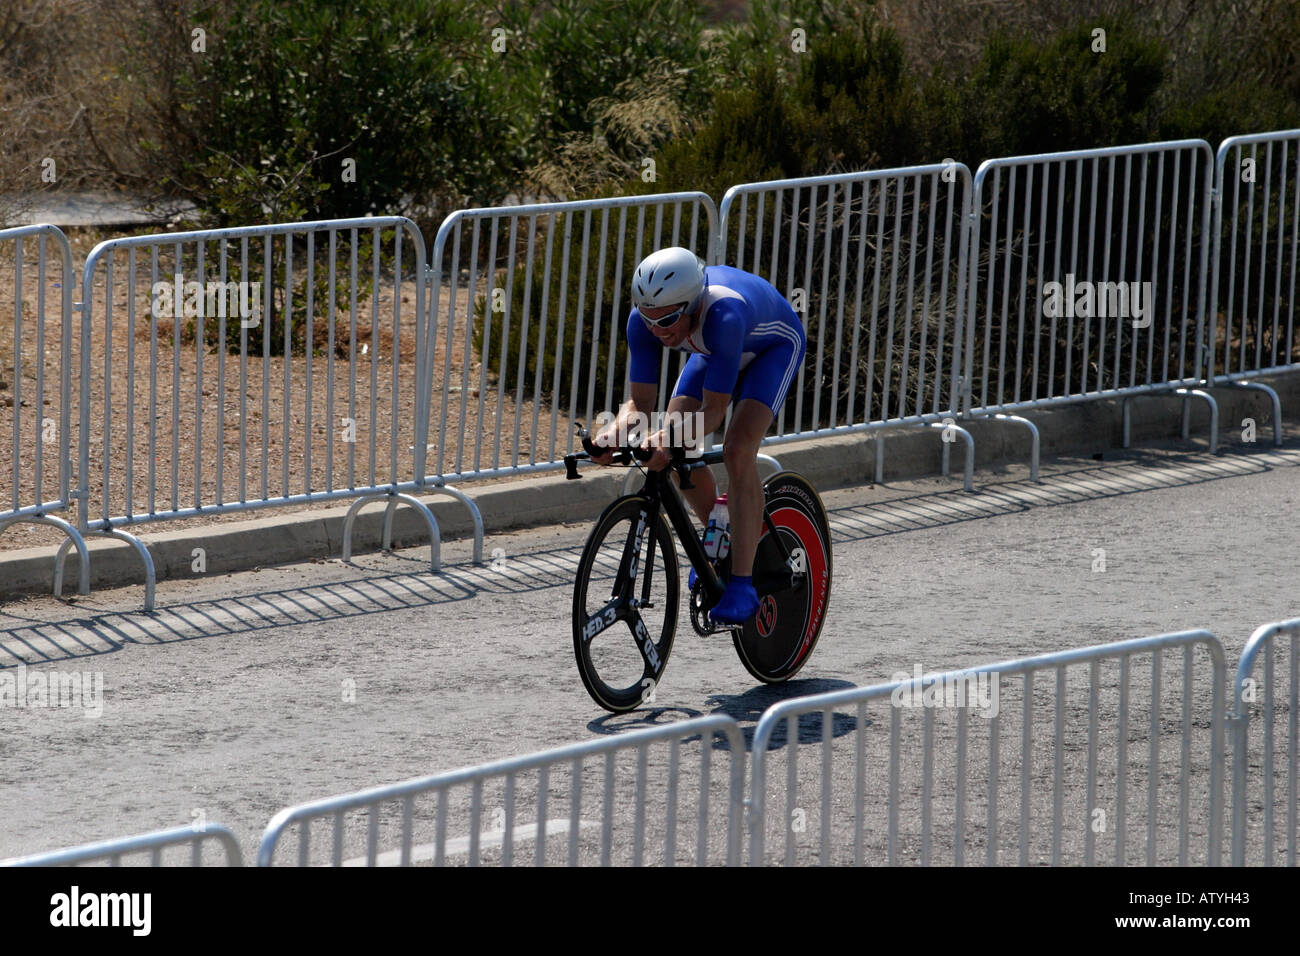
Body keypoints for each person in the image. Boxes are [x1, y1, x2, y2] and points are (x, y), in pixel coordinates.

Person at [591, 246, 806, 624]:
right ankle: (719, 543)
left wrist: (665, 438)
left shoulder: (723, 313)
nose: (658, 331)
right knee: (676, 448)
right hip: (713, 351)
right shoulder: (644, 322)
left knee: (738, 449)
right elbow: (639, 405)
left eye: (669, 319)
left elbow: (713, 412)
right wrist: (609, 434)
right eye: (649, 319)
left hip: (772, 348)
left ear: (692, 304)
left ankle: (742, 582)